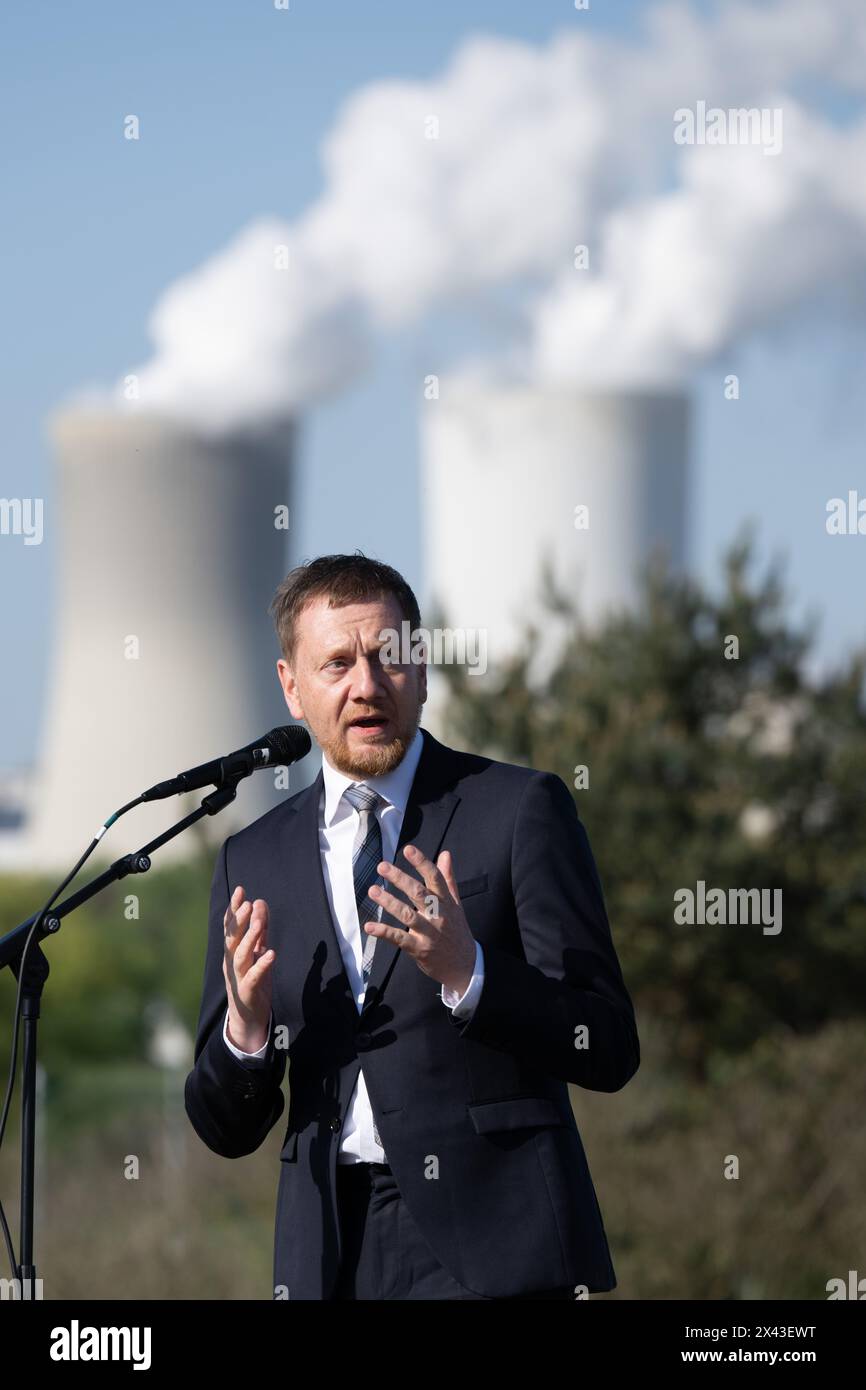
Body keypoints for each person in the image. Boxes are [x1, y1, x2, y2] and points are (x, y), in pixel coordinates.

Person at [184, 552, 640, 1300]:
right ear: (290, 687)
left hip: (497, 1246)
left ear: (422, 671)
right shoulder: (251, 859)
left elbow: (609, 1043)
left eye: (387, 659)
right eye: (336, 664)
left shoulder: (519, 810)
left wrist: (472, 973)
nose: (367, 686)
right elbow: (222, 1129)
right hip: (330, 1251)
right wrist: (247, 1033)